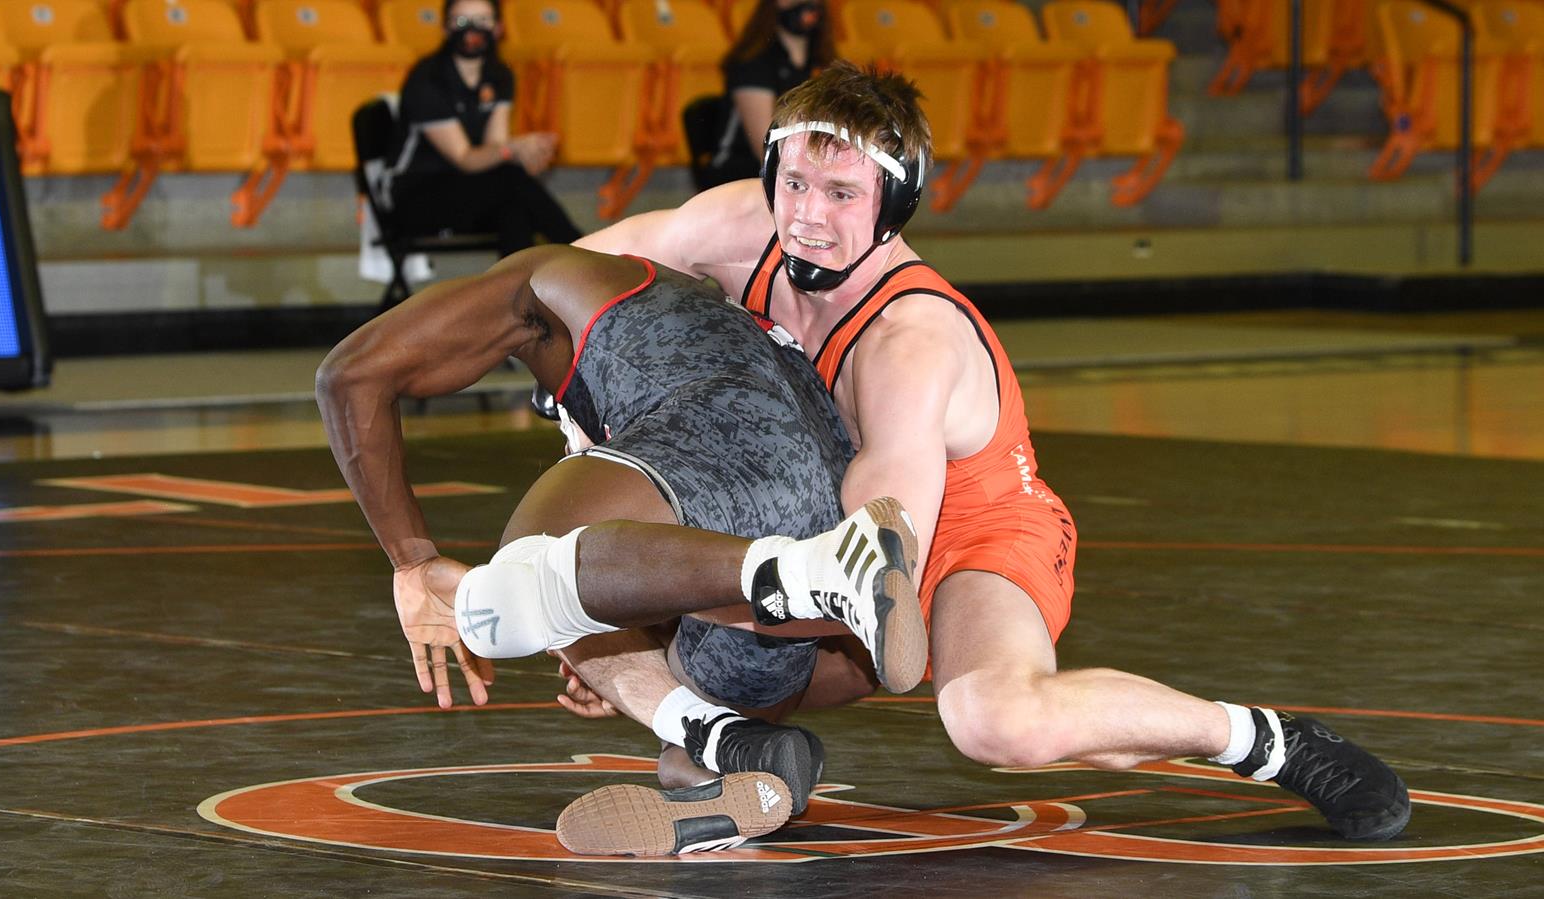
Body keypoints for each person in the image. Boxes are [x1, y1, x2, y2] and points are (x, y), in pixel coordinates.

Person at [554, 61, 1413, 847]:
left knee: (1000, 718)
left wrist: (663, 616)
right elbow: (561, 277)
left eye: (842, 194)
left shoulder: (909, 341)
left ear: (892, 206)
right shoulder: (742, 222)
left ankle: (1265, 741)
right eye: (796, 182)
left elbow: (873, 562)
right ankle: (720, 734)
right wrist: (574, 399)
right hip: (816, 509)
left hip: (967, 526)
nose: (808, 215)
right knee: (639, 671)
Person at [315, 243, 930, 854]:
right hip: (822, 510)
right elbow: (854, 673)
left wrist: (413, 562)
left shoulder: (546, 281)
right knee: (673, 739)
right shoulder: (726, 338)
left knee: (501, 598)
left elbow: (348, 375)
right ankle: (730, 746)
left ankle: (806, 576)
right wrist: (614, 646)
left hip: (729, 423)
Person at [388, 0, 582, 255]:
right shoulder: (428, 79)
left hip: (476, 189)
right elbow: (465, 159)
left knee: (514, 206)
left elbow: (494, 147)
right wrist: (514, 149)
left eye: (482, 21)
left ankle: (525, 279)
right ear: (445, 28)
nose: (471, 30)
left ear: (498, 28)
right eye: (461, 21)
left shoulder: (499, 75)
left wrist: (528, 151)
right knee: (511, 183)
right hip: (418, 195)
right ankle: (585, 252)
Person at [688, 0, 834, 190]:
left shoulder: (824, 65)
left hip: (792, 175)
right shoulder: (753, 63)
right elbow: (767, 149)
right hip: (739, 178)